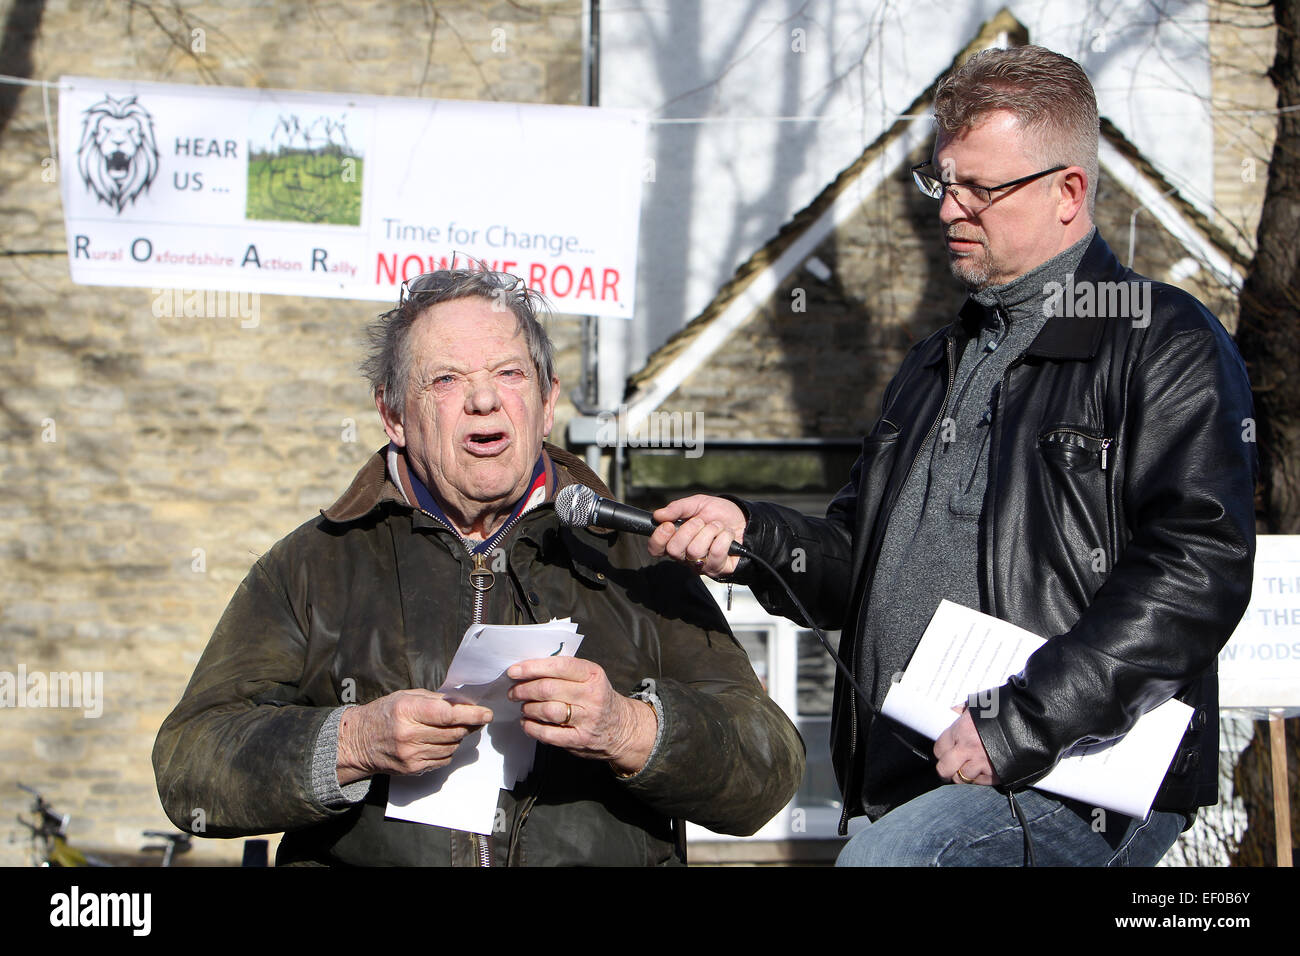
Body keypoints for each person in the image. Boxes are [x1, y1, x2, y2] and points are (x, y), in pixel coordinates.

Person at [649, 45, 1257, 866]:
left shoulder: (1163, 341)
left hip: (1072, 777)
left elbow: (1197, 567)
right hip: (908, 780)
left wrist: (1024, 724)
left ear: (1068, 191)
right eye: (943, 182)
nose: (948, 209)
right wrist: (756, 536)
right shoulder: (933, 364)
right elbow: (855, 565)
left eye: (981, 187)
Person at [153, 267, 804, 866]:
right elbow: (189, 767)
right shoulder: (314, 564)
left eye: (509, 374)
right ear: (393, 415)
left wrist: (630, 729)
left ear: (548, 402)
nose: (485, 401)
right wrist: (354, 742)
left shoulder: (637, 557)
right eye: (446, 380)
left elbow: (766, 772)